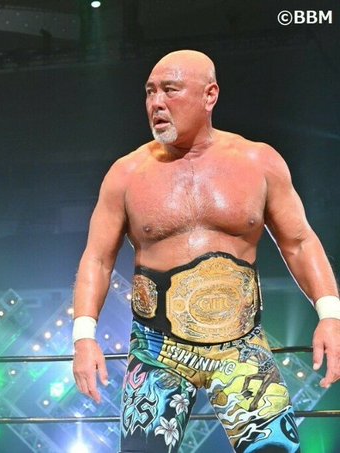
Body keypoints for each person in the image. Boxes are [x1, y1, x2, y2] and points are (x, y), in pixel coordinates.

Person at [71, 50, 340, 453]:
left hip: (241, 347)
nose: (156, 102)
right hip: (157, 349)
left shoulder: (258, 161)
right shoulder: (126, 174)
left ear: (209, 95)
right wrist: (83, 338)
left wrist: (331, 316)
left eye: (170, 90)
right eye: (150, 92)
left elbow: (299, 242)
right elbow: (97, 258)